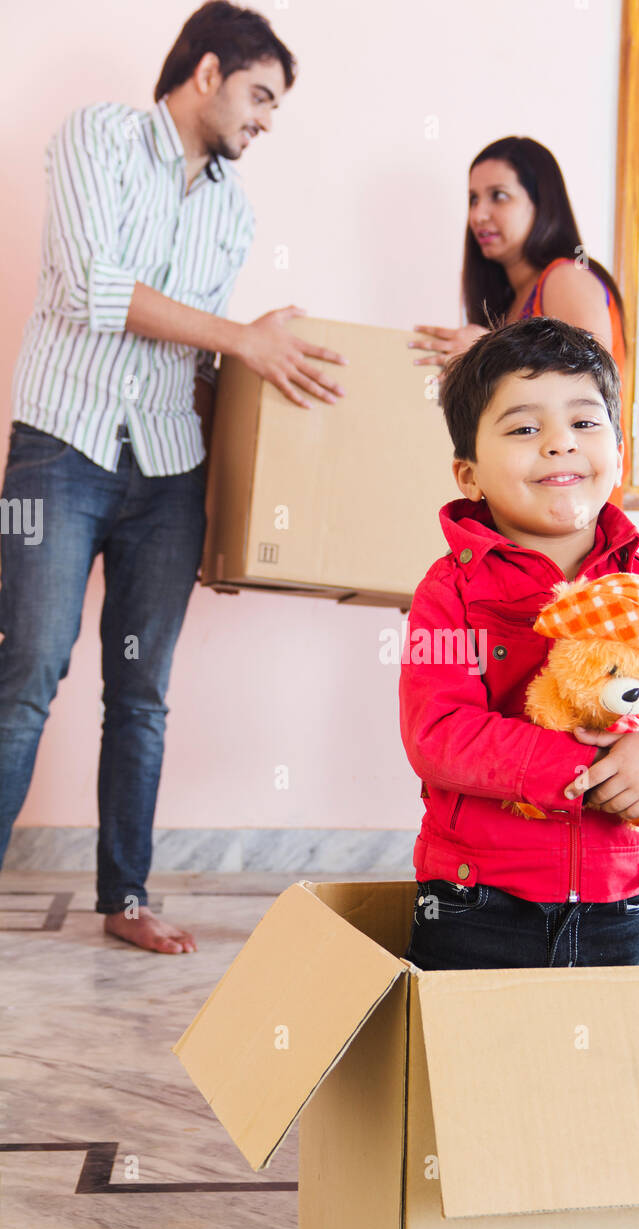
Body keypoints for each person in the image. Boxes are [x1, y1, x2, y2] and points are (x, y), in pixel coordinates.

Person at [0, 2, 348, 955]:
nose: (267, 120)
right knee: (28, 671)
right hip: (58, 450)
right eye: (261, 95)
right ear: (207, 72)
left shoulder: (232, 209)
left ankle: (126, 897)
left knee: (140, 691)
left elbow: (193, 364)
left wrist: (231, 505)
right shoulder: (98, 137)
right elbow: (88, 288)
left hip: (166, 475)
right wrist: (242, 338)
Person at [399, 318, 639, 971]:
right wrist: (598, 773)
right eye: (526, 429)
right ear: (467, 474)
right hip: (474, 903)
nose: (560, 445)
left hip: (618, 905)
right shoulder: (450, 592)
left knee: (600, 1070)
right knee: (472, 1067)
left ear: (620, 448)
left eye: (585, 424)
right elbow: (438, 733)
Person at [407, 136, 630, 507]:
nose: (478, 214)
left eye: (499, 196)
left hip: (573, 508)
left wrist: (484, 355)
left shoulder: (565, 278)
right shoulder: (509, 302)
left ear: (541, 204)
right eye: (473, 199)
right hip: (526, 509)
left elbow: (587, 394)